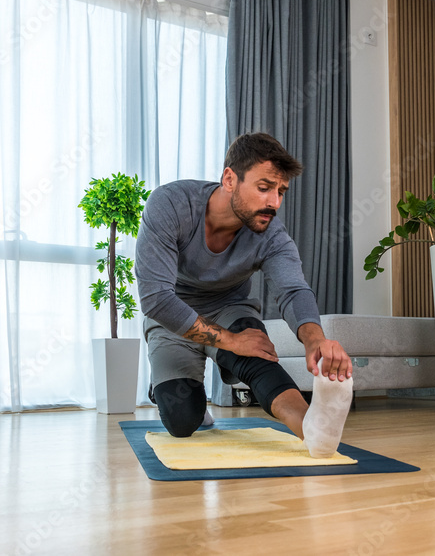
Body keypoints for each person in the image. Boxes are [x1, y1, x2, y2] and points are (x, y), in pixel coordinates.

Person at [135, 132, 354, 457]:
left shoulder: (271, 234)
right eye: (264, 187)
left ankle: (312, 428)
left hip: (229, 309)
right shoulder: (171, 204)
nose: (274, 202)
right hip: (172, 317)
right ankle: (166, 386)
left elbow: (293, 290)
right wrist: (231, 342)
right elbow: (156, 297)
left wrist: (315, 340)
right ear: (229, 179)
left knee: (258, 358)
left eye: (281, 191)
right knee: (182, 421)